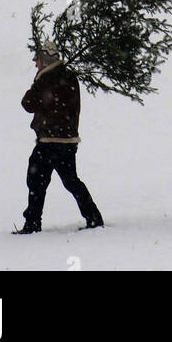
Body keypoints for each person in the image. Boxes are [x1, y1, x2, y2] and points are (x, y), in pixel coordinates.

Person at [14, 39, 104, 234]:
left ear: (45, 59)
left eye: (37, 60)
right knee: (71, 180)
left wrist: (37, 81)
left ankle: (32, 223)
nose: (35, 64)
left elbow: (27, 103)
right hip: (67, 141)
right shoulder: (68, 78)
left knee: (36, 179)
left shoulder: (46, 80)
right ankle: (93, 217)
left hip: (49, 140)